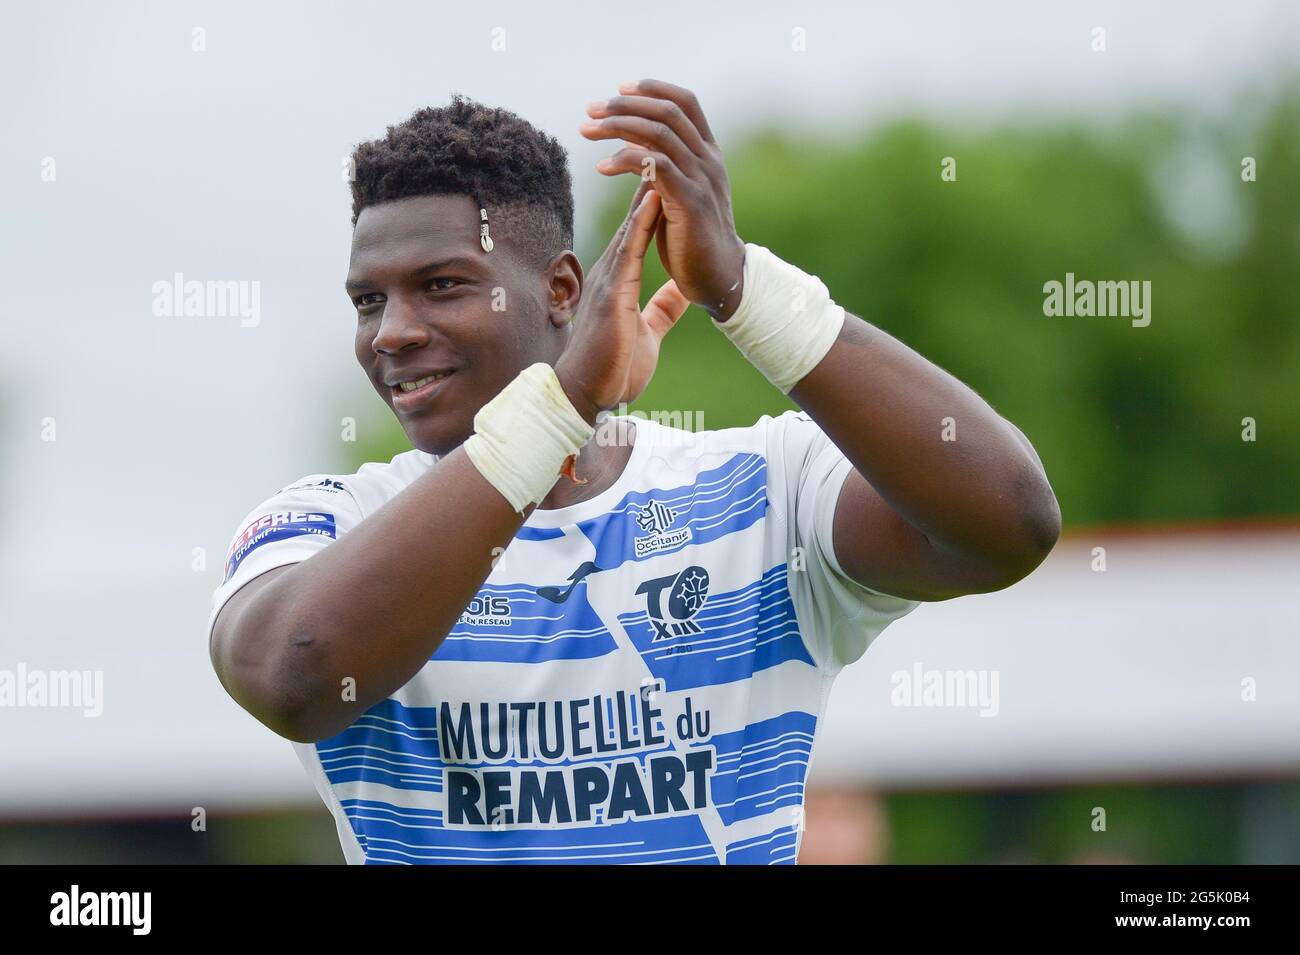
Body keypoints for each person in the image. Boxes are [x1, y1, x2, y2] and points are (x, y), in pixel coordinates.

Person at [207, 79, 1060, 864]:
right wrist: (564, 401)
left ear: (562, 290)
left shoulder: (756, 490)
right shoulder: (330, 523)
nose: (391, 331)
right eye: (368, 301)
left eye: (441, 284)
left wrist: (739, 287)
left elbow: (1010, 520)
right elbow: (299, 675)